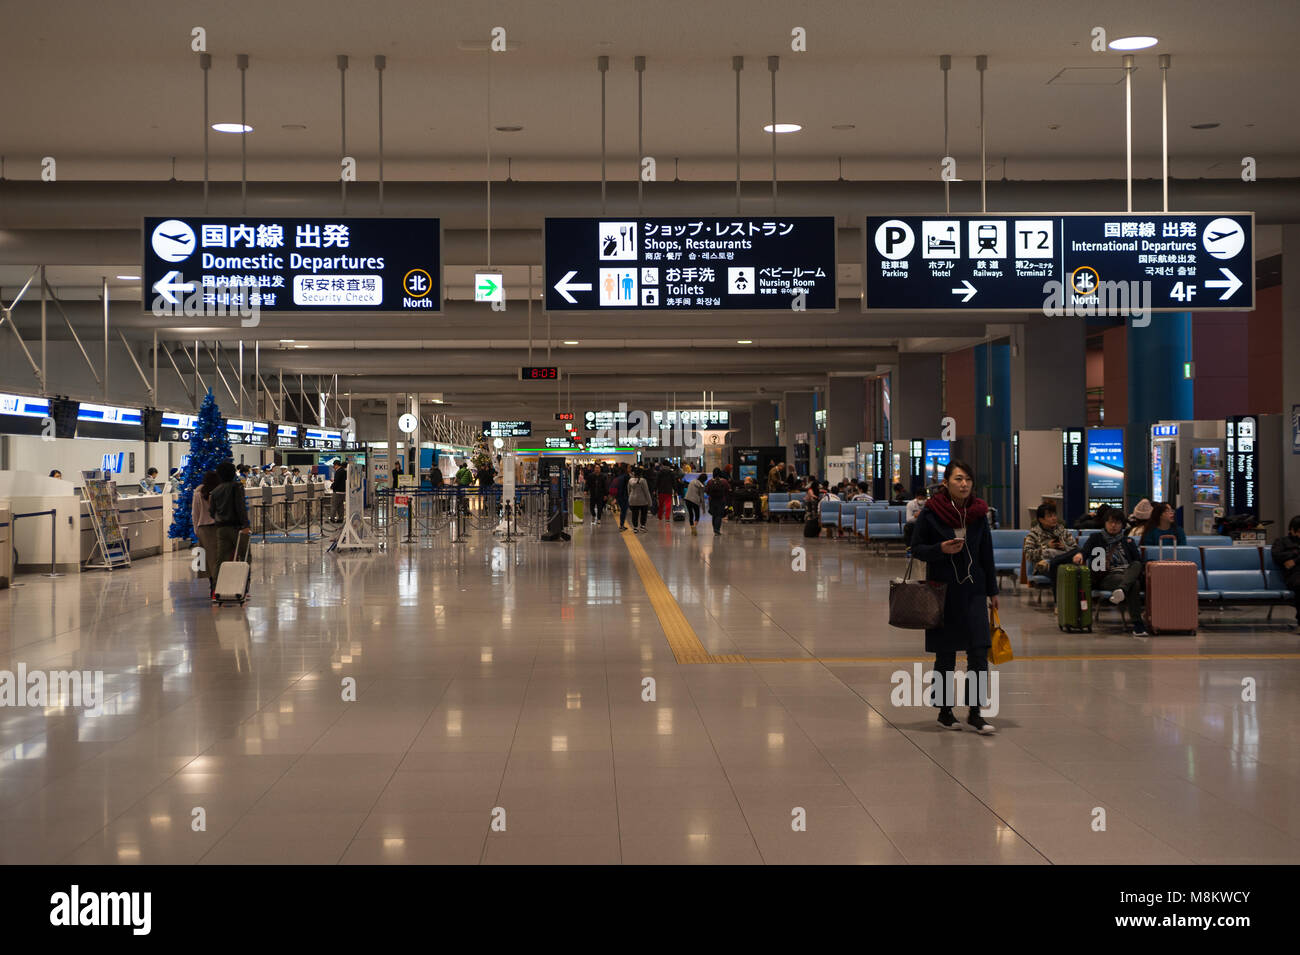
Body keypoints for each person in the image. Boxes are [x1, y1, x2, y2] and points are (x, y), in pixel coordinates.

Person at [909, 460, 999, 734]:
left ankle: (975, 712)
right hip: (943, 590)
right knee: (946, 653)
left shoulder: (979, 514)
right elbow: (916, 548)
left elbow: (986, 554)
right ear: (946, 483)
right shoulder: (931, 513)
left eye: (968, 480)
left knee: (979, 651)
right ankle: (945, 711)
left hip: (973, 590)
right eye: (958, 479)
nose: (964, 484)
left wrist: (993, 590)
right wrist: (940, 549)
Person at [1077, 509, 1147, 636]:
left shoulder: (1128, 541)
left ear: (1122, 525)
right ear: (1105, 523)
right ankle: (1138, 625)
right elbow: (1085, 551)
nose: (1113, 526)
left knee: (1136, 565)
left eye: (1117, 523)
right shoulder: (1096, 538)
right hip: (1107, 576)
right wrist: (1080, 555)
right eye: (1110, 522)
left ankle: (1121, 590)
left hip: (1126, 574)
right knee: (1134, 585)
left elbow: (1138, 562)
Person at [208, 461, 250, 596]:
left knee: (221, 559)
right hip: (237, 528)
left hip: (221, 529)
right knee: (245, 557)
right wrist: (245, 525)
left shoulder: (214, 491)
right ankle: (243, 587)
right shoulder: (237, 487)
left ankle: (216, 589)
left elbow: (211, 511)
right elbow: (241, 507)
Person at [1023, 503, 1079, 576]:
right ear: (1041, 520)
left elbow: (1075, 549)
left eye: (1055, 515)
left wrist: (1064, 547)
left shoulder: (1063, 531)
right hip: (1044, 567)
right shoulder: (1034, 534)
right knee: (1053, 562)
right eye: (1050, 516)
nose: (1054, 518)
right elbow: (1028, 555)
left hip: (1064, 564)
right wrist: (1046, 547)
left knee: (1078, 552)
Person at [192, 470, 220, 598]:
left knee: (206, 559)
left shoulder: (198, 493)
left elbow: (195, 513)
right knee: (216, 558)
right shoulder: (218, 491)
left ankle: (212, 585)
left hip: (202, 528)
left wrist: (196, 530)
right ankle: (216, 586)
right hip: (216, 527)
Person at [1270, 516, 1300, 631]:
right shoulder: (1281, 541)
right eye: (1298, 531)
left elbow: (1289, 559)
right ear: (1292, 530)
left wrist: (1294, 559)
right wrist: (1296, 553)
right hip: (1293, 574)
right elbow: (1277, 556)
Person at [704, 468, 731, 537]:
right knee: (719, 515)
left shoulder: (710, 482)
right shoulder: (724, 481)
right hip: (721, 500)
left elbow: (706, 491)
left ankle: (715, 529)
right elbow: (728, 490)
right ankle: (717, 530)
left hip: (712, 500)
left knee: (714, 515)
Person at [626, 466, 653, 532]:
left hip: (633, 500)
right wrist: (650, 502)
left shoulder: (630, 480)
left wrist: (630, 498)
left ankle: (635, 528)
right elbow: (646, 492)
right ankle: (642, 527)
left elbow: (628, 490)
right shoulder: (643, 481)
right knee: (643, 513)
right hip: (642, 500)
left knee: (634, 514)